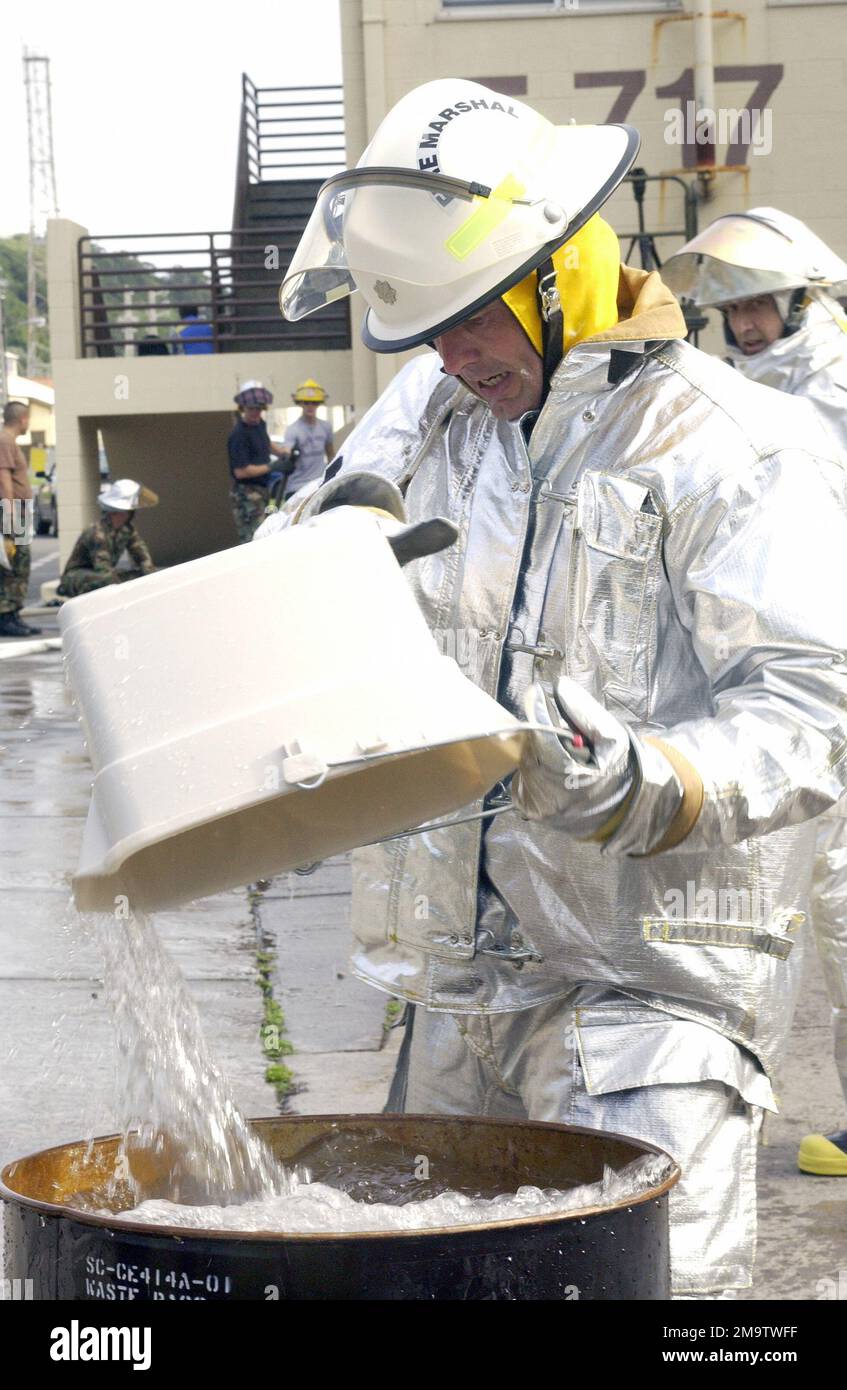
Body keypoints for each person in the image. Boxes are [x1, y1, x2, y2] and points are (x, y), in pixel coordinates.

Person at [260, 79, 847, 1296]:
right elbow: (318, 536)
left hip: (649, 991)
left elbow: (809, 713)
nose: (449, 353)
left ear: (560, 270)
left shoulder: (734, 448)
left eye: (470, 317)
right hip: (456, 985)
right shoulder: (439, 410)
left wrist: (640, 779)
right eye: (428, 328)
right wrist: (331, 544)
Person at [663, 209, 847, 1178]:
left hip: (831, 671)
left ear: (802, 297)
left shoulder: (835, 387)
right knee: (756, 905)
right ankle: (717, 1105)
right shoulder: (729, 395)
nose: (742, 324)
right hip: (774, 671)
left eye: (755, 305)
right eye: (727, 311)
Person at [57, 478, 157, 598]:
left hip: (100, 574)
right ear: (122, 511)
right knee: (108, 580)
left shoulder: (127, 530)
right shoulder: (97, 533)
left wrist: (150, 576)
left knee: (139, 576)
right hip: (76, 577)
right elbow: (104, 570)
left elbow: (142, 557)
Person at [227, 381, 291, 543]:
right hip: (247, 495)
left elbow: (266, 443)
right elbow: (241, 472)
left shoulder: (259, 425)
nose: (255, 412)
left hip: (263, 491)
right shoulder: (238, 435)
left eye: (259, 408)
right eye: (251, 408)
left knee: (266, 532)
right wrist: (272, 466)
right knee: (253, 538)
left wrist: (282, 453)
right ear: (243, 408)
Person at [0, 400, 40, 638]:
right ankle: (6, 616)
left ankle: (14, 613)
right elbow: (3, 478)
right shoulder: (5, 440)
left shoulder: (9, 441)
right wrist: (10, 514)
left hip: (21, 511)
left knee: (21, 565)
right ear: (23, 420)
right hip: (13, 512)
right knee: (13, 567)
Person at [278, 380, 335, 498]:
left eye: (314, 402)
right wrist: (287, 454)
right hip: (297, 487)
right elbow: (286, 450)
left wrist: (333, 477)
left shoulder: (325, 426)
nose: (310, 406)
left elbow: (330, 454)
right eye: (306, 402)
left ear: (319, 403)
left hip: (319, 484)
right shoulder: (293, 429)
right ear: (300, 403)